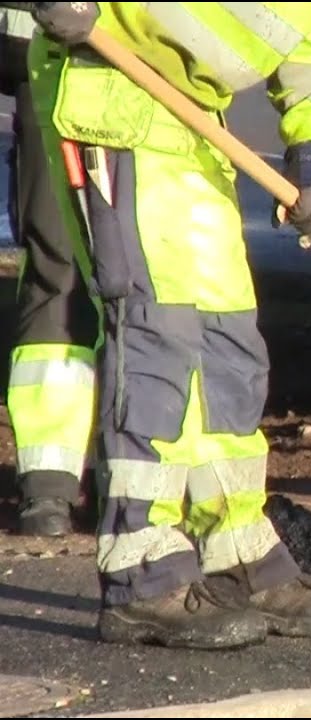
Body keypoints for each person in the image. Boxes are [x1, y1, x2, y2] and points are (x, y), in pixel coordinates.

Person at [19, 1, 311, 649]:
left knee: (228, 343)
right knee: (159, 337)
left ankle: (234, 550)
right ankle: (141, 569)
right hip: (110, 88)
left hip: (190, 122)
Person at [1, 5, 101, 538]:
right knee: (60, 271)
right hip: (52, 65)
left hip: (158, 78)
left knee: (151, 281)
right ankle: (49, 482)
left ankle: (131, 482)